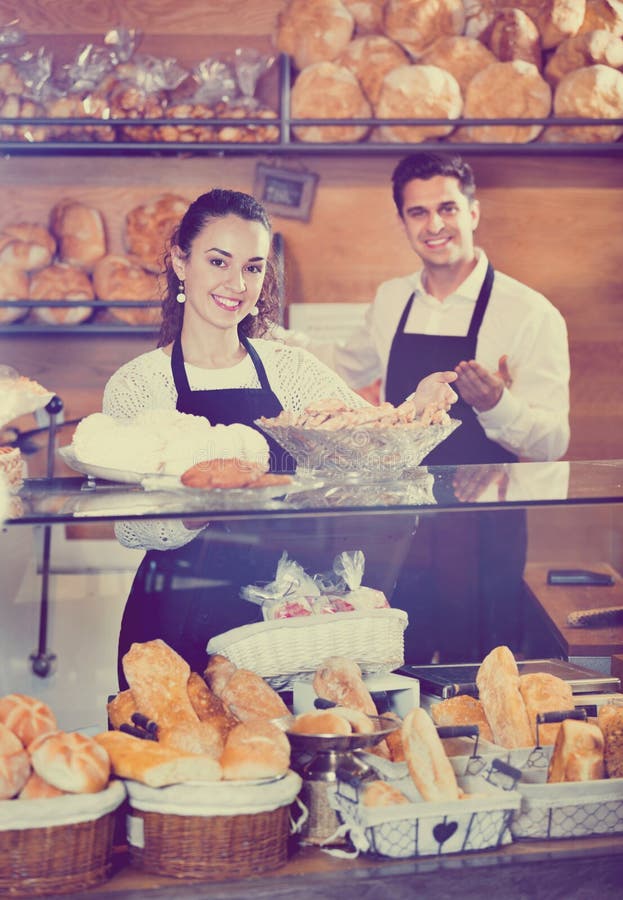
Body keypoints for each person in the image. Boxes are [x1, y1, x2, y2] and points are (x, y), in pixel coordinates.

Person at [102, 188, 458, 687]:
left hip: (283, 614)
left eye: (252, 267)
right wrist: (202, 503)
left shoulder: (290, 367)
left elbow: (368, 443)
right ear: (180, 262)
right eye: (218, 261)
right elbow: (131, 529)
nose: (236, 283)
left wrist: (416, 409)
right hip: (180, 610)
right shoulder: (139, 383)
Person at [280, 152, 571, 661]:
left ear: (472, 212)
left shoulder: (529, 313)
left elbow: (553, 443)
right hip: (400, 521)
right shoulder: (393, 298)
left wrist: (497, 405)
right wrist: (269, 338)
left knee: (478, 665)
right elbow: (341, 367)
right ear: (403, 222)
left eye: (448, 208)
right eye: (418, 212)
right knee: (397, 658)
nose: (435, 225)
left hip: (484, 529)